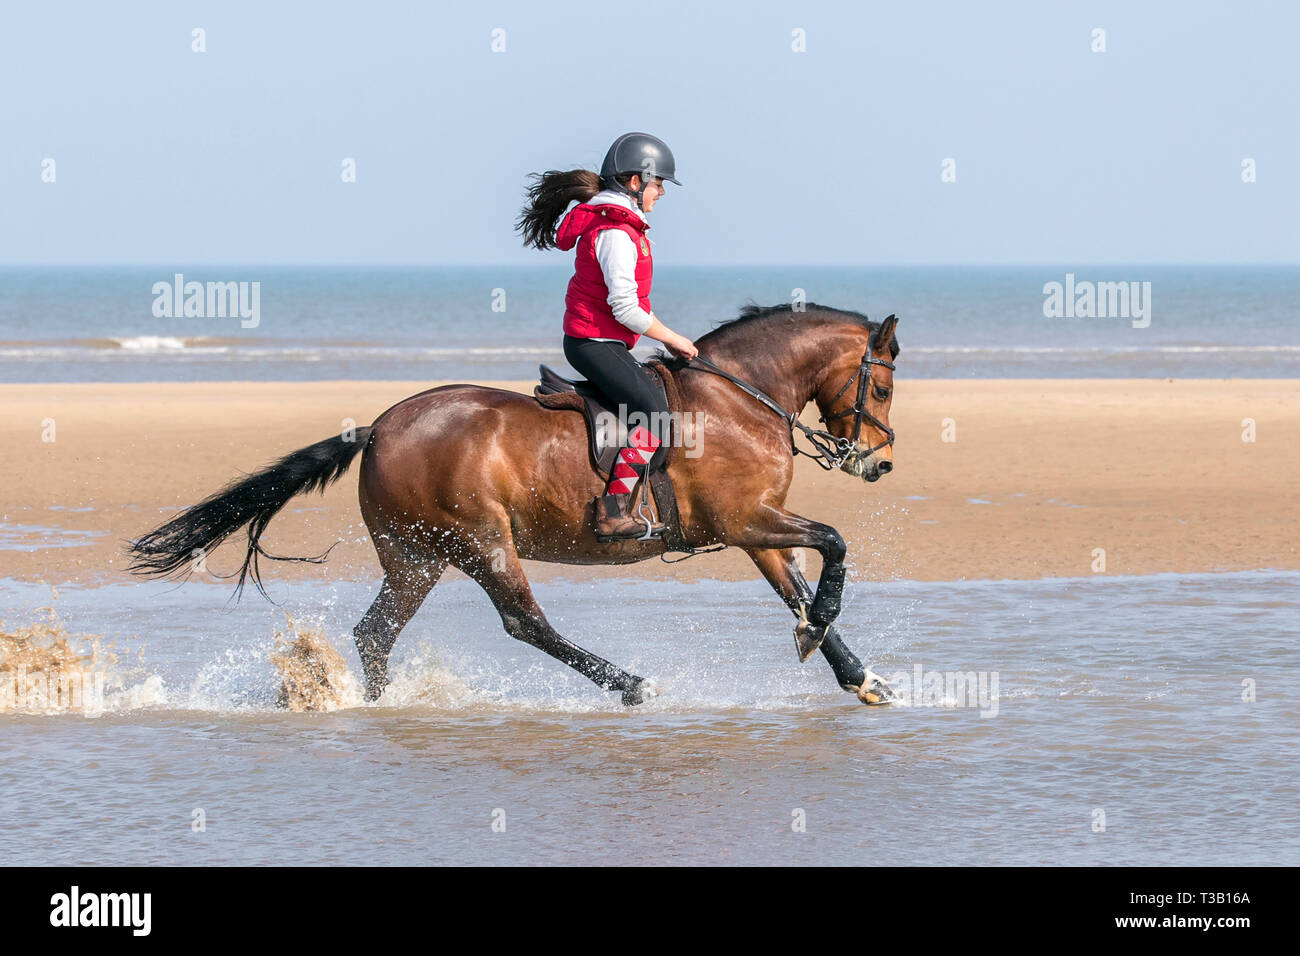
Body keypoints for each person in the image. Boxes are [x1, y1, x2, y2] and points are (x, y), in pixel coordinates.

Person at [516, 132, 698, 540]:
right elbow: (626, 309)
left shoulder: (623, 226)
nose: (662, 193)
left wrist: (665, 334)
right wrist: (673, 339)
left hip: (601, 341)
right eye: (659, 183)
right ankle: (613, 509)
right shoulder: (616, 233)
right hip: (592, 344)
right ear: (635, 182)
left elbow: (635, 307)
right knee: (654, 415)